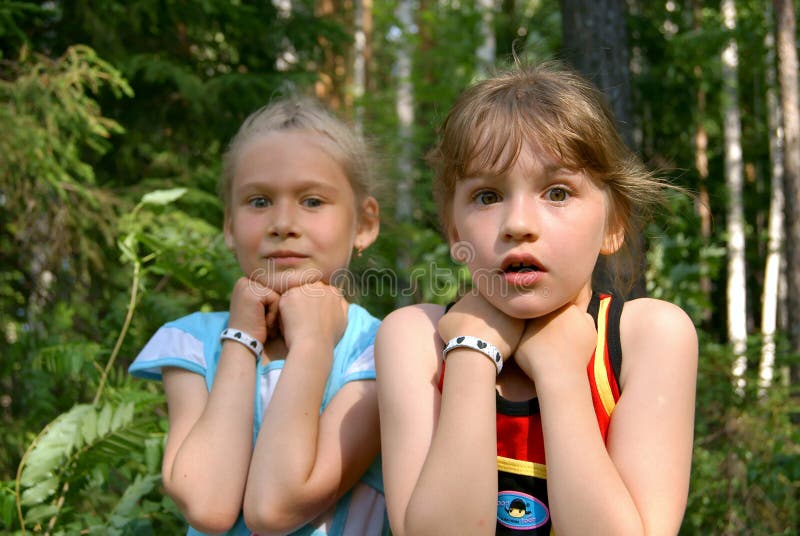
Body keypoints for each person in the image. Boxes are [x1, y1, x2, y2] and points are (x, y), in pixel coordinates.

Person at [375, 62, 697, 536]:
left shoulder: (647, 338)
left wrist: (562, 373)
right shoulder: (418, 339)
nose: (518, 224)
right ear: (454, 230)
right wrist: (472, 354)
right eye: (488, 196)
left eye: (558, 192)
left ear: (613, 224)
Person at [129, 97, 386, 536]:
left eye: (312, 201)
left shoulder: (382, 351)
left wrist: (312, 344)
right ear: (230, 226)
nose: (282, 223)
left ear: (363, 224)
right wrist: (241, 338)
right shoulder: (192, 345)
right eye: (259, 201)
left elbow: (275, 510)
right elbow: (207, 506)